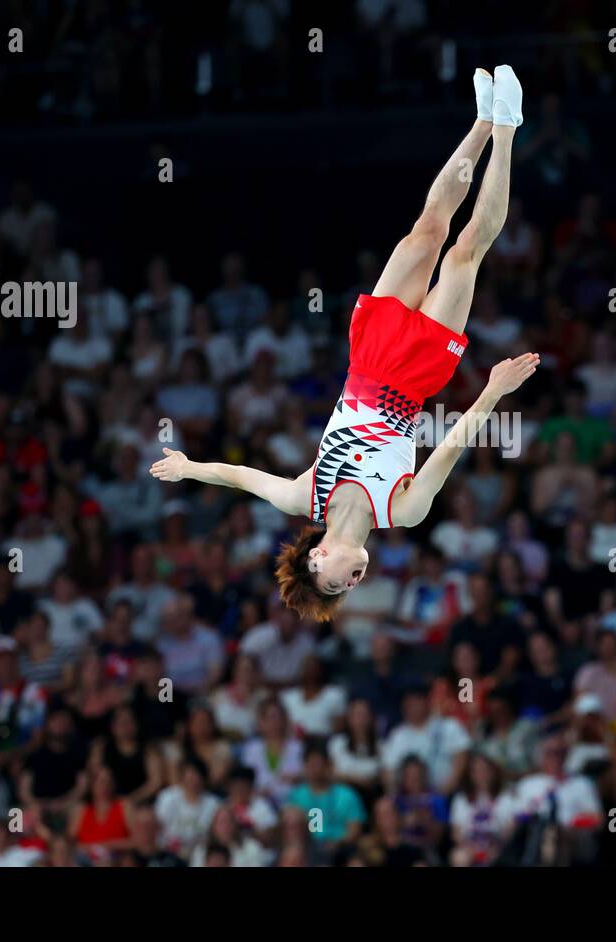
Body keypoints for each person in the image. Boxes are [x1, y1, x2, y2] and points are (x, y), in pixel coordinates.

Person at [149, 67, 540, 620]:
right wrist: (494, 392)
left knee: (427, 231)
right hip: (415, 379)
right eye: (347, 591)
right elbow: (451, 445)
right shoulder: (403, 512)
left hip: (368, 358)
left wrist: (189, 468)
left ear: (317, 560)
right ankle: (506, 129)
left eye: (334, 586)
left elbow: (237, 476)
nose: (348, 584)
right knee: (464, 252)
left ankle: (478, 123)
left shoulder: (303, 495)